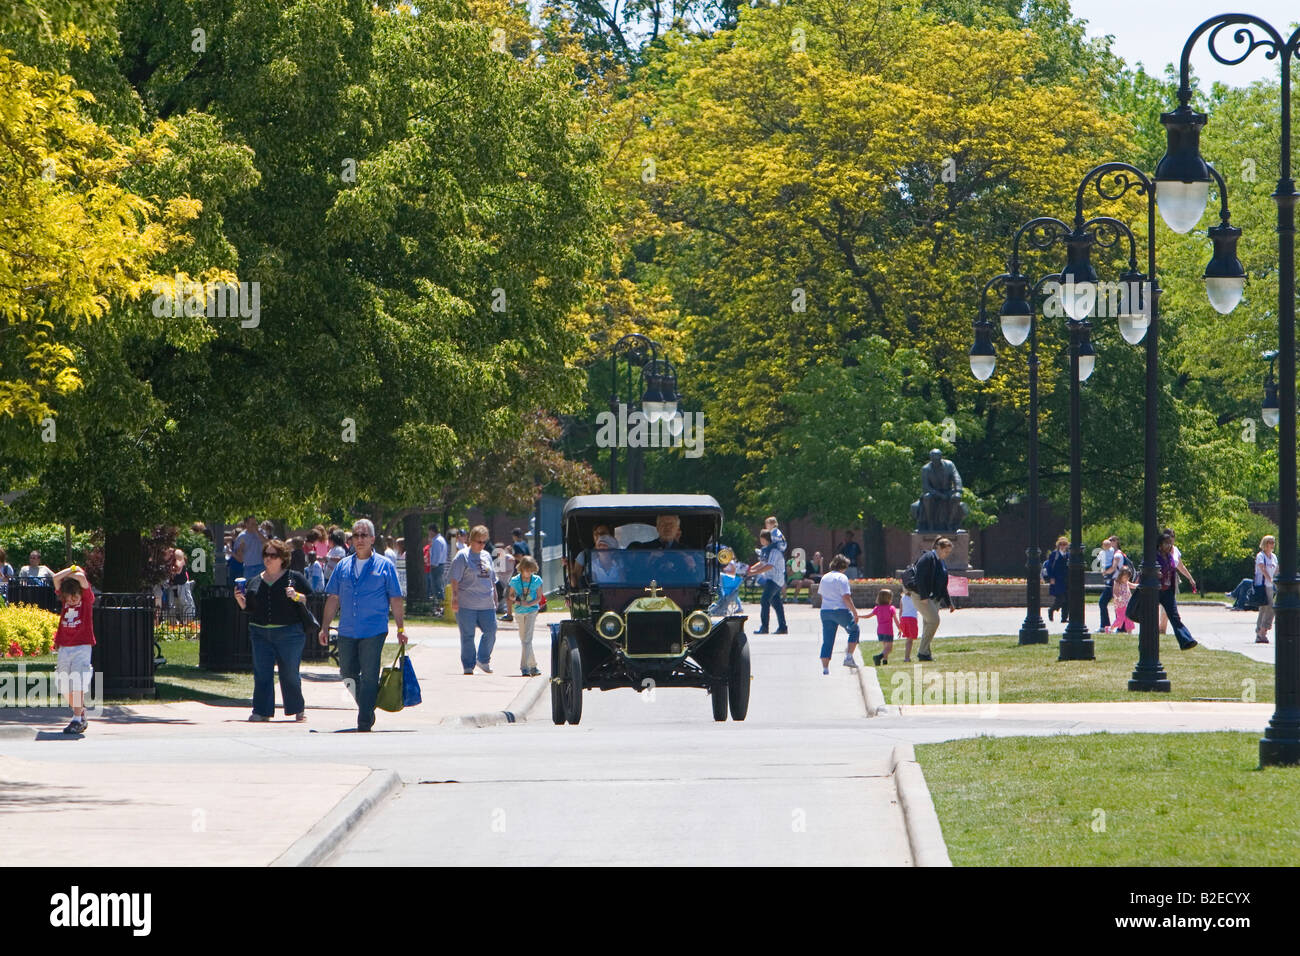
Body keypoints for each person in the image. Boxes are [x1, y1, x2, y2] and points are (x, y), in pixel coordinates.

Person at [321, 519, 406, 731]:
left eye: (364, 535)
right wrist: (324, 626)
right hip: (347, 629)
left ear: (372, 539)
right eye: (356, 536)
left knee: (369, 674)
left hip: (374, 630)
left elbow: (395, 598)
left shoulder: (385, 566)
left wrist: (401, 628)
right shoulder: (343, 566)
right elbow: (333, 598)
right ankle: (368, 705)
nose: (359, 539)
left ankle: (364, 720)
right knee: (347, 672)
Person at [235, 538, 311, 723]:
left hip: (290, 633)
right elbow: (250, 609)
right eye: (266, 555)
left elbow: (309, 598)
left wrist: (296, 595)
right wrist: (240, 600)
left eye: (273, 555)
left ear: (282, 558)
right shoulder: (254, 581)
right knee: (262, 673)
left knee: (290, 673)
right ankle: (261, 711)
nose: (268, 559)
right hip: (260, 633)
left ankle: (297, 708)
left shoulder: (294, 578)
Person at [51, 564, 95, 735]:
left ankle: (77, 719)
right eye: (68, 598)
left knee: (77, 681)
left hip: (82, 646)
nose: (72, 601)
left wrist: (76, 570)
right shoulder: (64, 600)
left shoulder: (86, 600)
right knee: (63, 685)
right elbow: (55, 578)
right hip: (65, 646)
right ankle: (81, 711)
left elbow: (83, 579)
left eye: (74, 597)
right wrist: (70, 571)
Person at [450, 525, 499, 675]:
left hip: (486, 603)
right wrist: (455, 598)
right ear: (471, 540)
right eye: (479, 541)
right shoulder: (462, 556)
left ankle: (483, 659)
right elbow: (454, 579)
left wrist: (495, 595)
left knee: (491, 631)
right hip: (467, 603)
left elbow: (492, 578)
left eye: (484, 542)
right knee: (468, 635)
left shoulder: (487, 556)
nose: (482, 545)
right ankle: (468, 664)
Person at [905, 537, 956, 662]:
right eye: (945, 551)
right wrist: (924, 596)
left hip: (934, 598)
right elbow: (920, 577)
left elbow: (943, 584)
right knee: (934, 620)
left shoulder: (941, 561)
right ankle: (923, 652)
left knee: (928, 624)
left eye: (949, 552)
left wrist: (949, 602)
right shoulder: (928, 558)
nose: (947, 555)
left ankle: (926, 653)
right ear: (938, 548)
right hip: (921, 596)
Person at [816, 555, 860, 674]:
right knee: (854, 630)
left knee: (828, 639)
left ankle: (825, 668)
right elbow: (846, 597)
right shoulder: (842, 578)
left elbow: (821, 595)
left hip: (825, 611)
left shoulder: (824, 577)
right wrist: (854, 612)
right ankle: (849, 657)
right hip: (840, 610)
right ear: (844, 566)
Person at [1156, 532, 1197, 651]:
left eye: (1170, 543)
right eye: (1166, 543)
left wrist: (1190, 578)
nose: (1169, 545)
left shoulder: (1169, 557)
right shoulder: (1154, 556)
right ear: (1160, 544)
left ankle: (1186, 640)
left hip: (1168, 590)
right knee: (1150, 617)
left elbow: (1178, 568)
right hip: (1156, 590)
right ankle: (1149, 641)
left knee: (1174, 616)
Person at [508, 555, 543, 676]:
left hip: (532, 611)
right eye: (526, 570)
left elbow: (539, 597)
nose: (528, 573)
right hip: (519, 611)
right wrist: (518, 601)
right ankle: (533, 666)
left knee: (527, 639)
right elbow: (511, 595)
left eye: (530, 571)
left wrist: (529, 603)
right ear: (521, 568)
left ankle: (524, 667)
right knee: (524, 640)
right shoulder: (515, 580)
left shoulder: (537, 580)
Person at [750, 529, 788, 635]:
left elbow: (769, 566)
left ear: (765, 539)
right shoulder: (767, 550)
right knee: (777, 604)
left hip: (774, 580)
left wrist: (754, 572)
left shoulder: (774, 552)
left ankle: (764, 627)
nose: (760, 541)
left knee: (764, 600)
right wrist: (750, 569)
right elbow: (762, 563)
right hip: (773, 580)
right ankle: (783, 627)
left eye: (761, 538)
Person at [866, 588, 902, 666]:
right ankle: (878, 657)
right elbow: (896, 620)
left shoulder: (877, 608)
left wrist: (858, 616)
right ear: (889, 599)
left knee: (885, 647)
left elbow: (868, 616)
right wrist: (900, 629)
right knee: (889, 648)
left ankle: (885, 661)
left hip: (880, 631)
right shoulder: (891, 608)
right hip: (888, 631)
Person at [1255, 534, 1278, 644]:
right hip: (1262, 585)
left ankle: (1260, 632)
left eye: (1273, 542)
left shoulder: (1273, 556)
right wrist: (1270, 579)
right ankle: (1262, 631)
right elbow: (1262, 569)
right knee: (1268, 608)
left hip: (1271, 586)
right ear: (1265, 543)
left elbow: (1277, 569)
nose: (1272, 544)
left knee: (1266, 609)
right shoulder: (1261, 555)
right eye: (1270, 542)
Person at [1043, 536, 1069, 623]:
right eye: (1061, 544)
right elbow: (1049, 567)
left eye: (1064, 544)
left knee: (1067, 599)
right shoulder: (1054, 554)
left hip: (1066, 580)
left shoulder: (1068, 554)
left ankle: (1064, 618)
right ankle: (1051, 610)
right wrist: (1051, 578)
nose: (1063, 546)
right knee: (1060, 598)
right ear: (1058, 545)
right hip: (1057, 579)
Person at [233, 517, 266, 582]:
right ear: (246, 524)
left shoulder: (261, 532)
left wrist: (257, 532)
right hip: (249, 567)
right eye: (252, 524)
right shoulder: (241, 536)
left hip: (261, 565)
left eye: (255, 523)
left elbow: (267, 543)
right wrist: (240, 548)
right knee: (249, 586)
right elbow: (240, 558)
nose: (254, 526)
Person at [1097, 535, 1118, 631]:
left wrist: (1106, 572)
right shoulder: (1102, 552)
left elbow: (1113, 568)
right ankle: (1107, 625)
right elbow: (1100, 561)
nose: (1109, 544)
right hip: (1109, 579)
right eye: (1108, 542)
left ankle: (1107, 625)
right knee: (1116, 603)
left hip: (1113, 580)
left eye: (1112, 541)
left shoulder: (1115, 553)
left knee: (1115, 603)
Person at [426, 524, 447, 616]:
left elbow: (436, 556)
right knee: (438, 587)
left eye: (429, 531)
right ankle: (440, 607)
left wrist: (433, 565)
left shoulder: (437, 541)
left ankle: (441, 608)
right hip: (440, 566)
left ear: (432, 531)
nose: (428, 533)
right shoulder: (440, 539)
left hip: (437, 567)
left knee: (437, 588)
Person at [494, 542, 516, 621]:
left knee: (504, 596)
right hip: (502, 582)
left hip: (503, 583)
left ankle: (505, 611)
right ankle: (502, 609)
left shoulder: (507, 557)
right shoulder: (501, 560)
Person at [1110, 566, 1136, 633]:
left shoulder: (1126, 582)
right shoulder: (1117, 583)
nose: (1127, 579)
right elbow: (1115, 592)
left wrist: (1139, 585)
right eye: (1125, 577)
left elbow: (1132, 585)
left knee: (1129, 618)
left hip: (1127, 603)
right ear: (1121, 575)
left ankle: (1129, 632)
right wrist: (1119, 597)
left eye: (1128, 577)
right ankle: (1111, 628)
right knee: (1120, 618)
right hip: (1120, 605)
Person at [898, 590, 919, 662]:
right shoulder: (916, 597)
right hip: (912, 619)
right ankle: (907, 657)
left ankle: (907, 657)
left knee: (908, 639)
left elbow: (900, 611)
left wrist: (900, 624)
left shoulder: (903, 598)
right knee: (910, 640)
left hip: (904, 618)